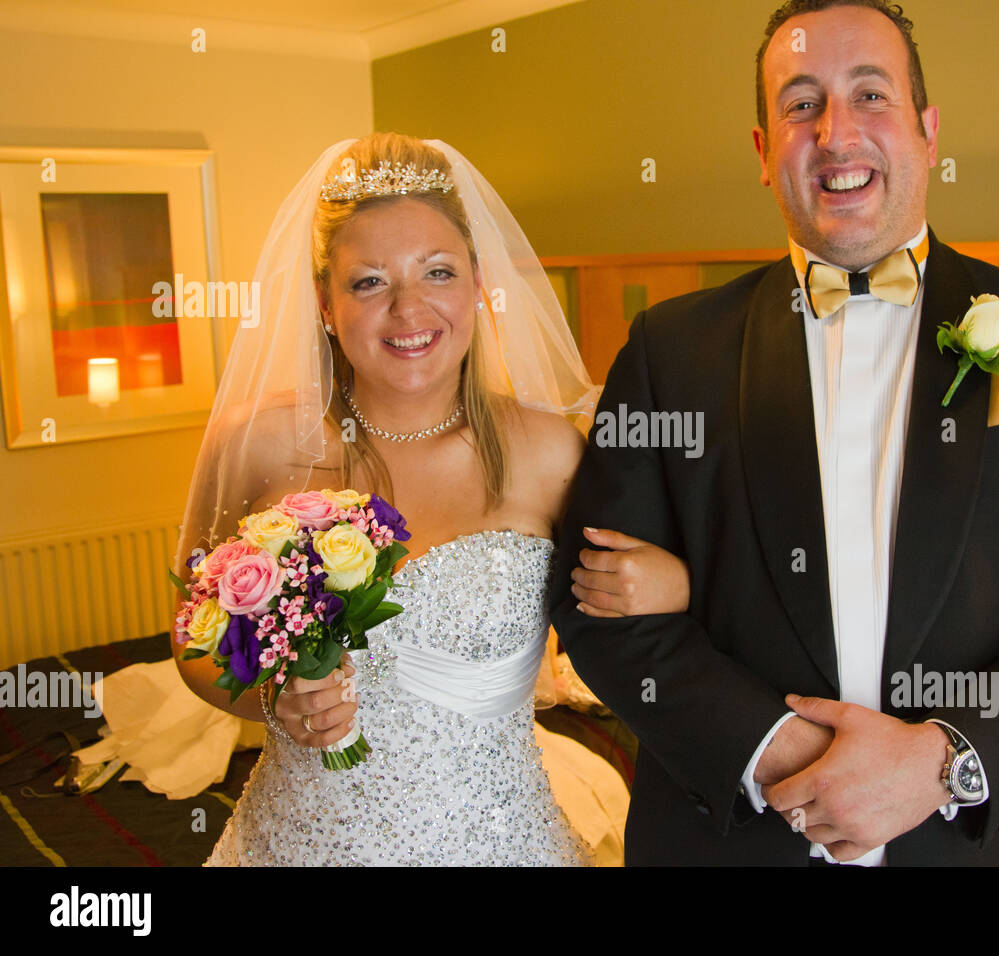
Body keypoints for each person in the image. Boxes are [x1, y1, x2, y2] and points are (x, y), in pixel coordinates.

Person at [550, 0, 999, 865]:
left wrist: (943, 763)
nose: (837, 133)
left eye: (870, 95)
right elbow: (593, 607)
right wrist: (775, 746)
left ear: (927, 131)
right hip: (729, 840)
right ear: (766, 153)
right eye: (801, 103)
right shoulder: (669, 350)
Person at [169, 133, 689, 865]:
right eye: (369, 282)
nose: (409, 311)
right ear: (324, 302)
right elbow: (192, 639)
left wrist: (675, 583)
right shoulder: (257, 443)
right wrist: (266, 699)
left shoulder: (551, 455)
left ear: (478, 282)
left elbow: (642, 624)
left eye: (437, 272)